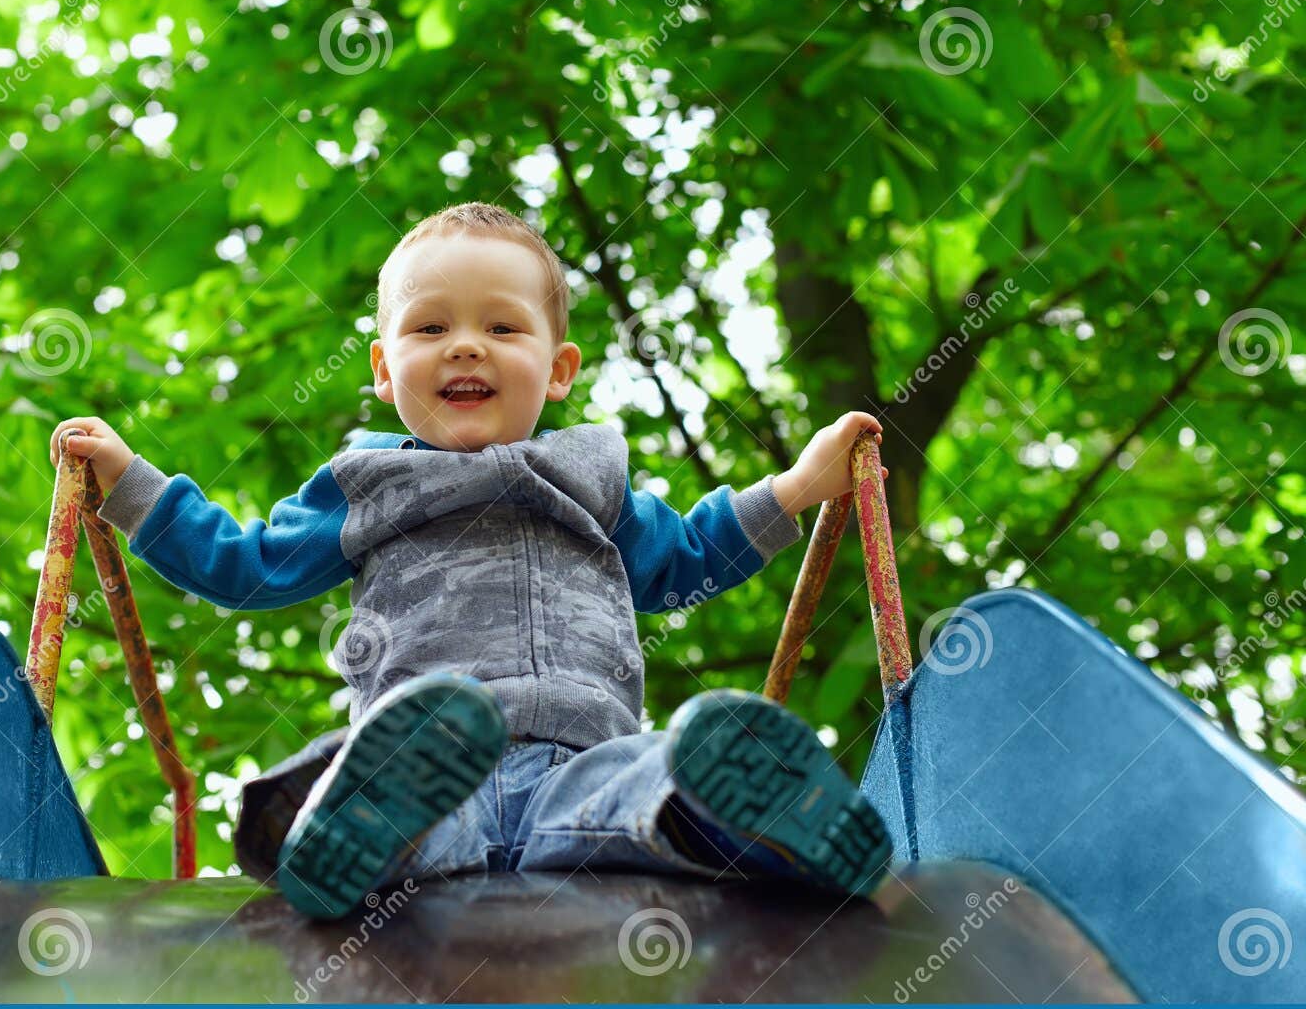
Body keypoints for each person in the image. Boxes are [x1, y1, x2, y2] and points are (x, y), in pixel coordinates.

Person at [50, 201, 892, 920]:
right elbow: (246, 563)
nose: (465, 346)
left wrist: (794, 487)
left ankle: (771, 824)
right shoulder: (369, 482)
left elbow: (685, 556)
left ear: (558, 370)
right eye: (430, 327)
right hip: (427, 763)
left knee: (659, 779)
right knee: (369, 790)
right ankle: (335, 831)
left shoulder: (591, 479)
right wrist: (132, 486)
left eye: (500, 326)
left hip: (581, 763)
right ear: (383, 370)